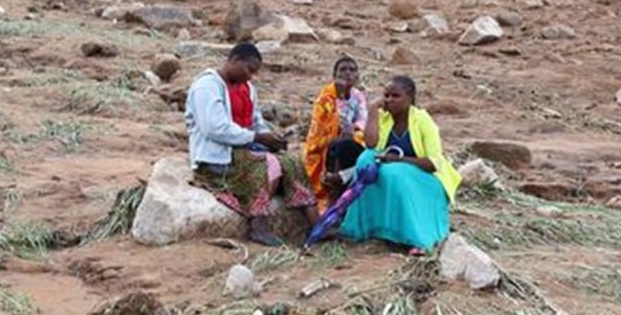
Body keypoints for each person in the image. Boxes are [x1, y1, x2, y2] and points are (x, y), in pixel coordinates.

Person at [185, 42, 317, 246]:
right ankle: (258, 224)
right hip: (217, 156)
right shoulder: (207, 86)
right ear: (235, 60)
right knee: (267, 166)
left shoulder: (247, 89)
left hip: (243, 149)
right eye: (249, 69)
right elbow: (214, 128)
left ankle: (317, 225)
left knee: (292, 162)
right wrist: (255, 137)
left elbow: (256, 122)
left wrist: (269, 137)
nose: (251, 76)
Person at [338, 75, 461, 254]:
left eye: (395, 96)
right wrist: (373, 111)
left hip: (427, 180)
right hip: (395, 171)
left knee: (394, 173)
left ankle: (417, 239)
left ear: (410, 98)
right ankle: (368, 227)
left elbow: (434, 163)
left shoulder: (423, 121)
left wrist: (399, 160)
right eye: (386, 95)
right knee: (365, 160)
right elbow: (371, 145)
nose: (389, 100)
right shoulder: (385, 118)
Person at [303, 56, 378, 211]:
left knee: (348, 144)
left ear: (357, 75)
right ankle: (334, 192)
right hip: (323, 145)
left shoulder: (358, 96)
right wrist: (341, 100)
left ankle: (338, 186)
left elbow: (362, 121)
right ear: (334, 75)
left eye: (352, 70)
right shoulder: (325, 97)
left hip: (352, 139)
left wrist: (353, 129)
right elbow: (320, 127)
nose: (347, 73)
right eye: (343, 70)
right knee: (339, 144)